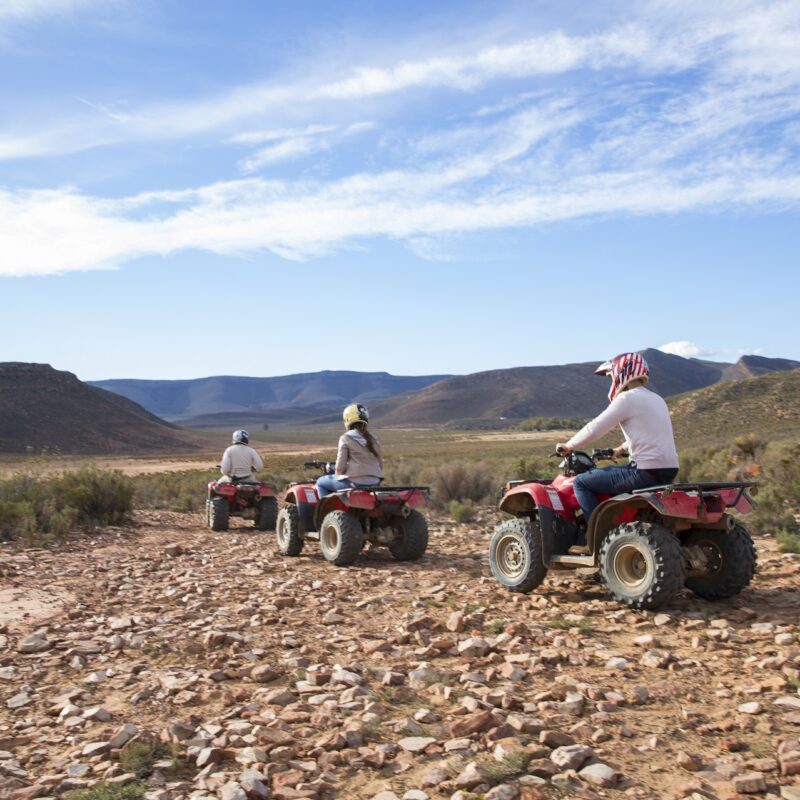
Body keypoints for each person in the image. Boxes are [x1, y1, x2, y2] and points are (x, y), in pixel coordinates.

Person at [555, 352, 679, 521]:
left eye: (610, 376)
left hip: (644, 472)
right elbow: (649, 432)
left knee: (581, 483)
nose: (611, 380)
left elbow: (596, 428)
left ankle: (594, 538)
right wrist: (621, 449)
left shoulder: (626, 399)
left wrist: (569, 445)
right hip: (669, 470)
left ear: (621, 372)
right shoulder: (657, 399)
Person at [316, 404, 384, 498]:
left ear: (347, 419)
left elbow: (340, 468)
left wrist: (338, 474)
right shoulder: (374, 439)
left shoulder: (346, 438)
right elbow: (380, 466)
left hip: (355, 484)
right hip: (375, 483)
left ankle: (326, 512)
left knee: (321, 483)